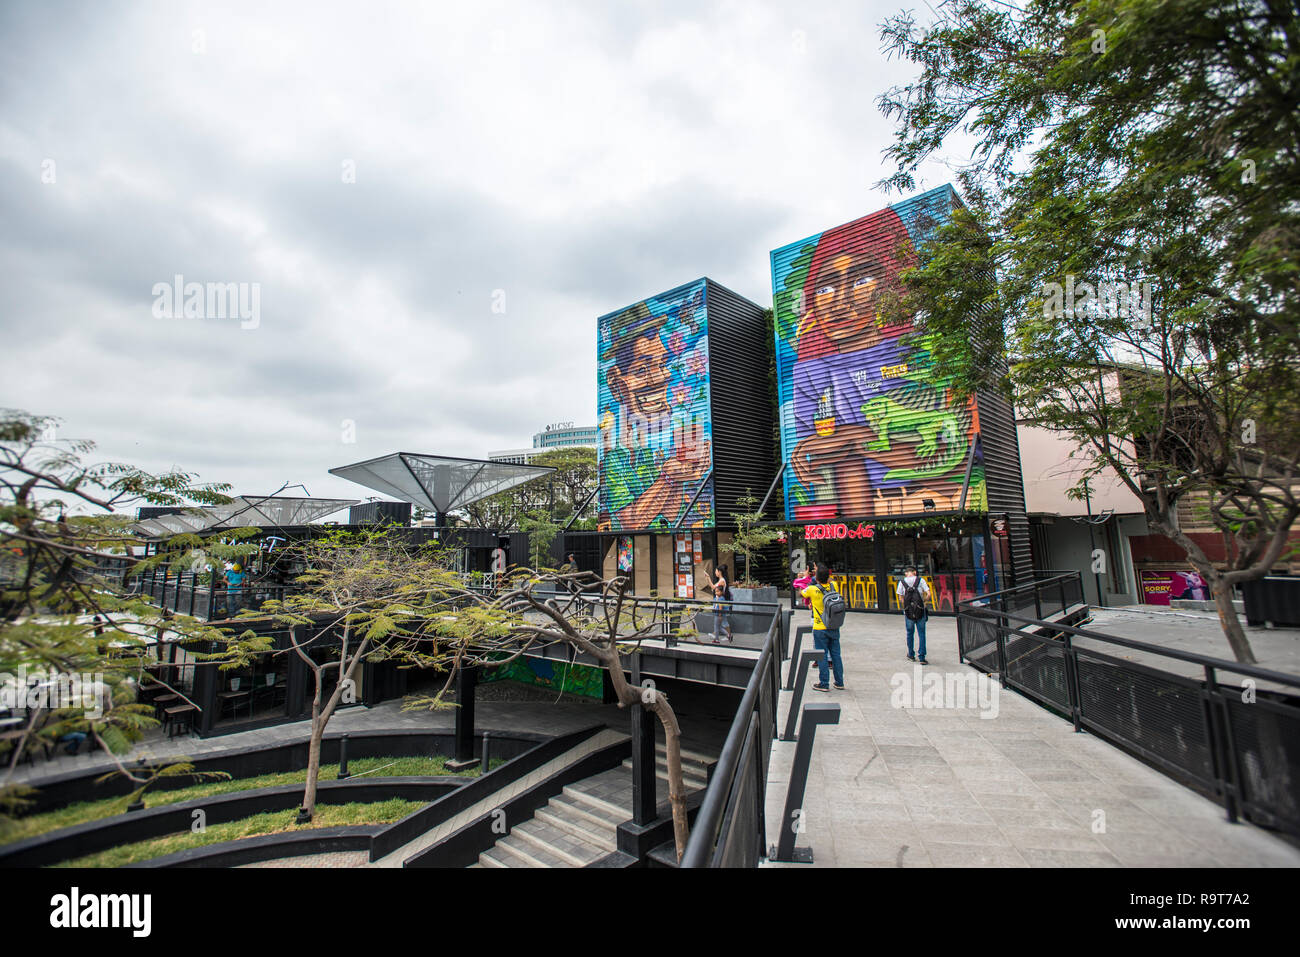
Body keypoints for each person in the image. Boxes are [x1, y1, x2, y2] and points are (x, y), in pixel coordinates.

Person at [802, 565, 844, 691]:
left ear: (817, 578)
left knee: (822, 655)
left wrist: (806, 577)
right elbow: (831, 580)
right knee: (836, 655)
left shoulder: (812, 589)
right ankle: (839, 682)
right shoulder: (834, 586)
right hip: (834, 625)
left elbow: (801, 592)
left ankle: (824, 683)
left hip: (820, 627)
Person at [897, 565, 931, 664]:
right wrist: (924, 602)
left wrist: (906, 606)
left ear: (906, 574)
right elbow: (928, 594)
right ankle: (922, 656)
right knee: (921, 634)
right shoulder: (921, 580)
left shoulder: (902, 582)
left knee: (909, 633)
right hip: (920, 610)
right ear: (915, 572)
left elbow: (900, 598)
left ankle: (911, 654)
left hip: (908, 612)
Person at [711, 564, 733, 644]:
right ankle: (727, 635)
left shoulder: (722, 581)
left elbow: (713, 587)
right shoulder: (721, 580)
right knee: (719, 625)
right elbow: (714, 587)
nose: (715, 572)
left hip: (719, 608)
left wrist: (719, 614)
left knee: (721, 623)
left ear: (719, 572)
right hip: (719, 607)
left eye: (716, 571)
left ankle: (722, 637)